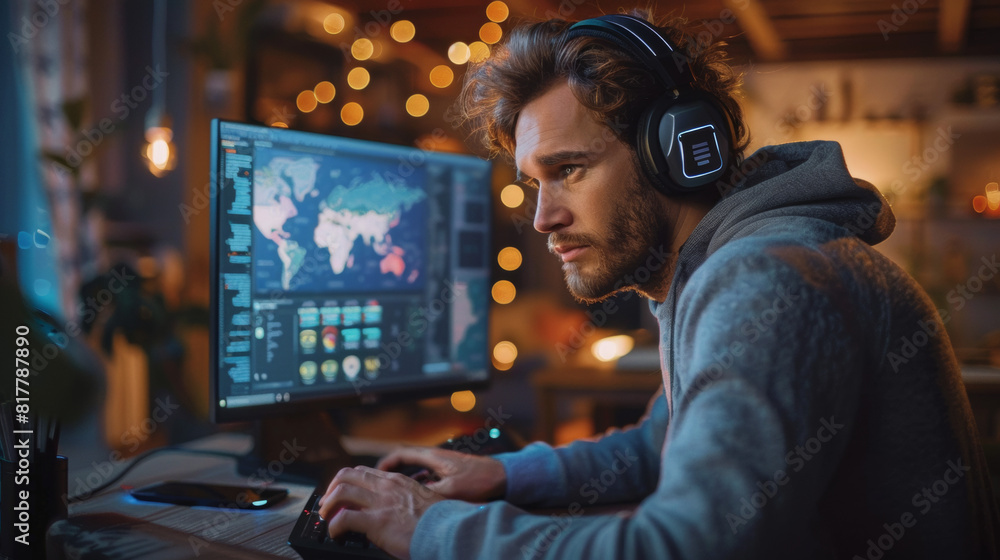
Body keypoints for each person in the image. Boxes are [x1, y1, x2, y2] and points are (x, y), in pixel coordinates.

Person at [317, 12, 1000, 559]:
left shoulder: (764, 279)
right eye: (534, 182)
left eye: (571, 170)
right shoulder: (726, 265)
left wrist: (431, 530)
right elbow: (658, 443)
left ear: (676, 149)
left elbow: (687, 544)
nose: (542, 217)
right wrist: (502, 474)